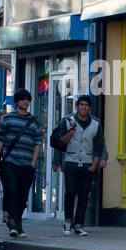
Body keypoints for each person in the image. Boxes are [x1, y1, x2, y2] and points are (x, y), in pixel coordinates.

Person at [0, 89, 44, 239]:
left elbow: (38, 143)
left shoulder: (34, 121)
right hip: (10, 161)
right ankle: (13, 223)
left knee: (22, 196)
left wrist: (33, 163)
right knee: (12, 191)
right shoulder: (7, 119)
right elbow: (0, 140)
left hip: (27, 163)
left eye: (28, 99)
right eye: (22, 99)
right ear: (16, 102)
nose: (25, 102)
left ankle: (17, 224)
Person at [54, 95, 105, 236]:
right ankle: (68, 221)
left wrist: (94, 165)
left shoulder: (95, 125)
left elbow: (99, 146)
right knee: (70, 192)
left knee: (84, 195)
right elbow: (60, 143)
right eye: (81, 104)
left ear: (89, 108)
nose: (84, 107)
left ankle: (79, 224)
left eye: (86, 105)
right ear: (77, 107)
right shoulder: (67, 121)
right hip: (71, 162)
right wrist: (56, 161)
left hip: (88, 163)